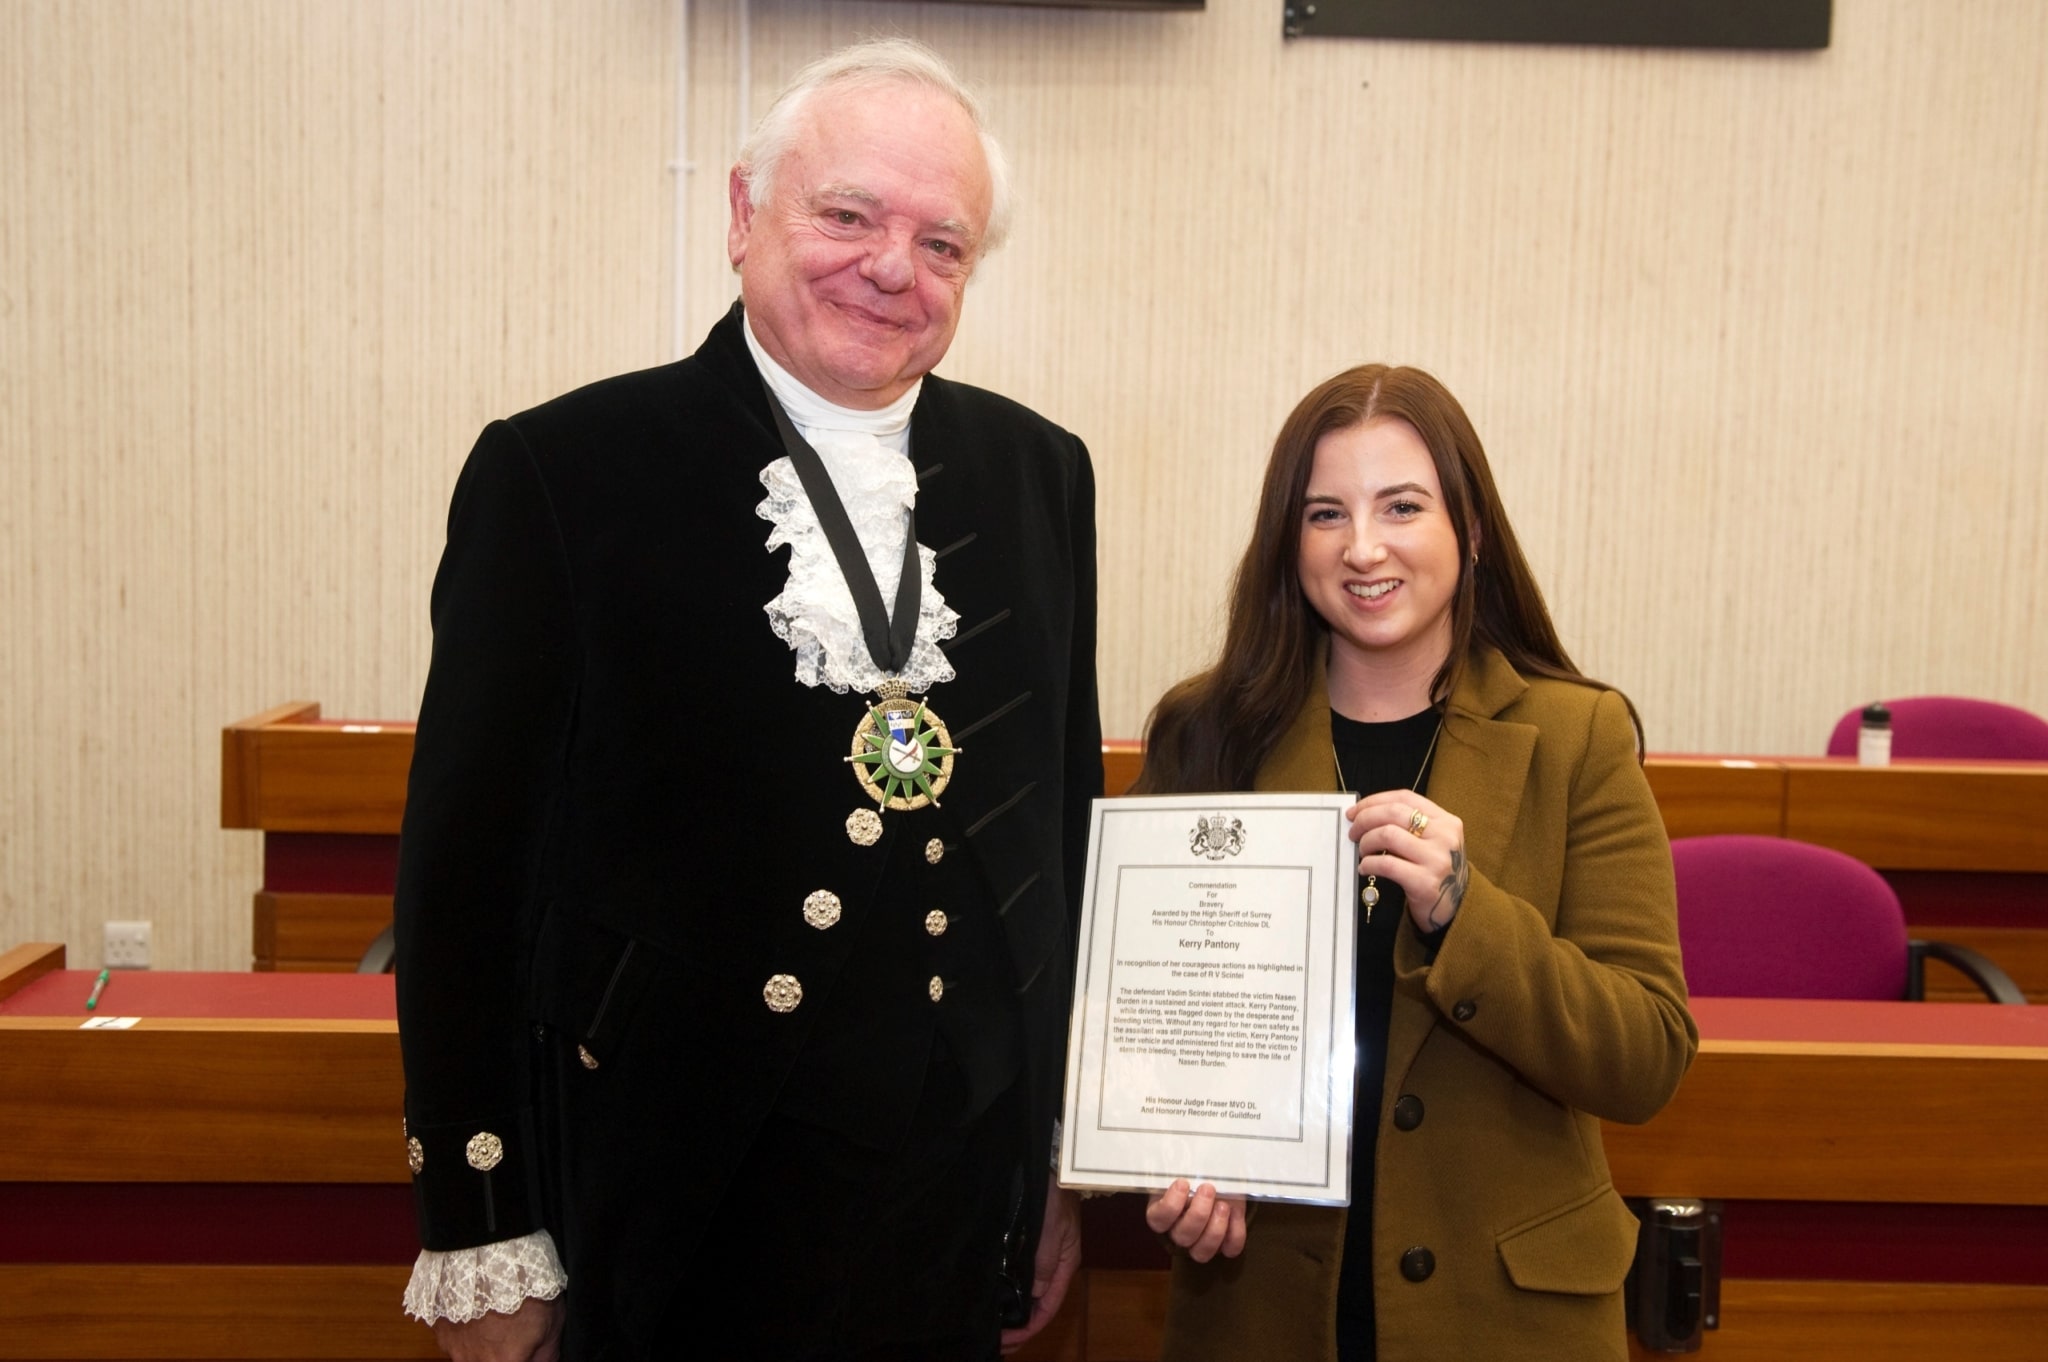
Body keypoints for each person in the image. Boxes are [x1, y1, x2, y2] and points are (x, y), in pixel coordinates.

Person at [391, 39, 1099, 1362]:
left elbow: (1056, 829)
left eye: (941, 242)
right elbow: (464, 880)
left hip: (949, 1208)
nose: (893, 267)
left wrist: (1053, 1156)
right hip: (668, 1196)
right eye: (848, 214)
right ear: (741, 215)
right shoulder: (562, 472)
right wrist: (483, 1223)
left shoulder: (1038, 473)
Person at [1134, 365, 1696, 1361]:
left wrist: (1464, 914)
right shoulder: (1204, 734)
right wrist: (1170, 1158)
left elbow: (1643, 1056)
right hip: (1257, 1302)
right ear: (1285, 542)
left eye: (1401, 506)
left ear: (1468, 530)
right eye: (1322, 515)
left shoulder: (1577, 736)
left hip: (1505, 1312)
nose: (1361, 548)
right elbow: (1142, 1029)